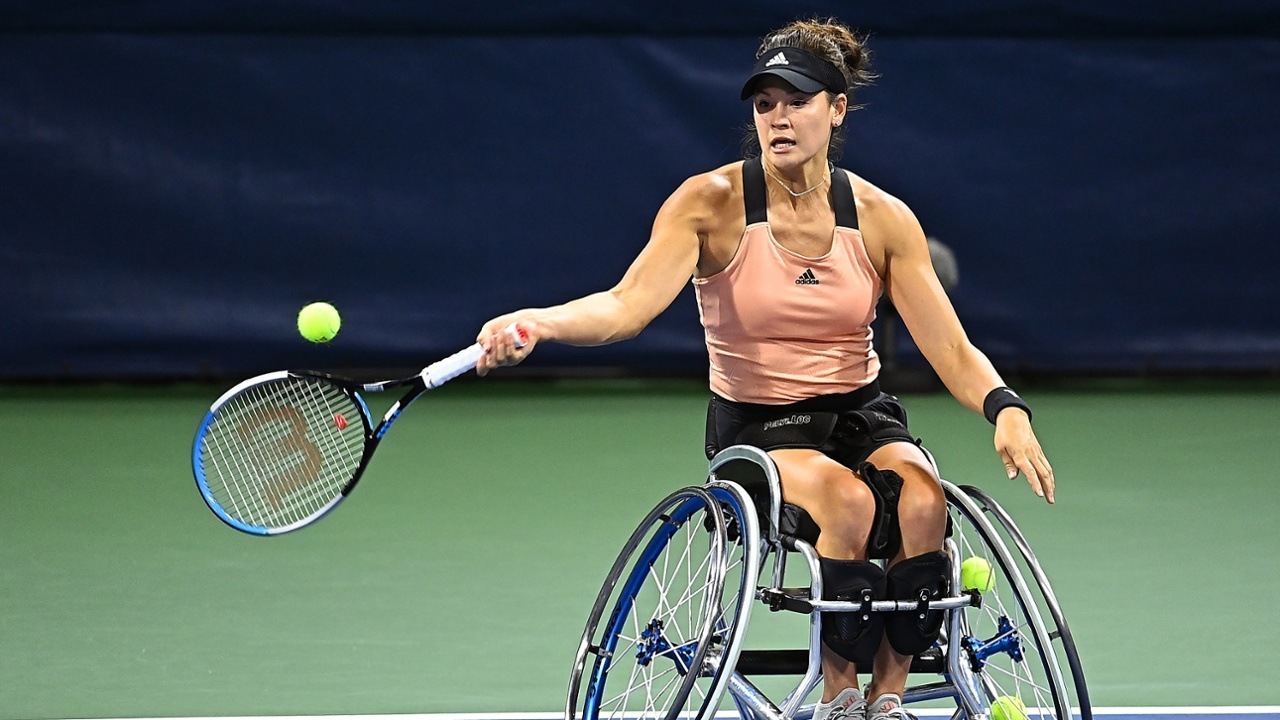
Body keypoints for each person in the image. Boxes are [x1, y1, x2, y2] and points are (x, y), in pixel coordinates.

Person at [475, 17, 1055, 720]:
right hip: (760, 430)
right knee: (848, 501)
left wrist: (1006, 408)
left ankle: (888, 699)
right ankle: (842, 700)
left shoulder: (882, 218)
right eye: (765, 103)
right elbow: (625, 307)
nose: (779, 118)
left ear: (835, 110)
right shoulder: (709, 205)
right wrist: (540, 323)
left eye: (798, 100)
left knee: (925, 501)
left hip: (862, 414)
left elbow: (954, 350)